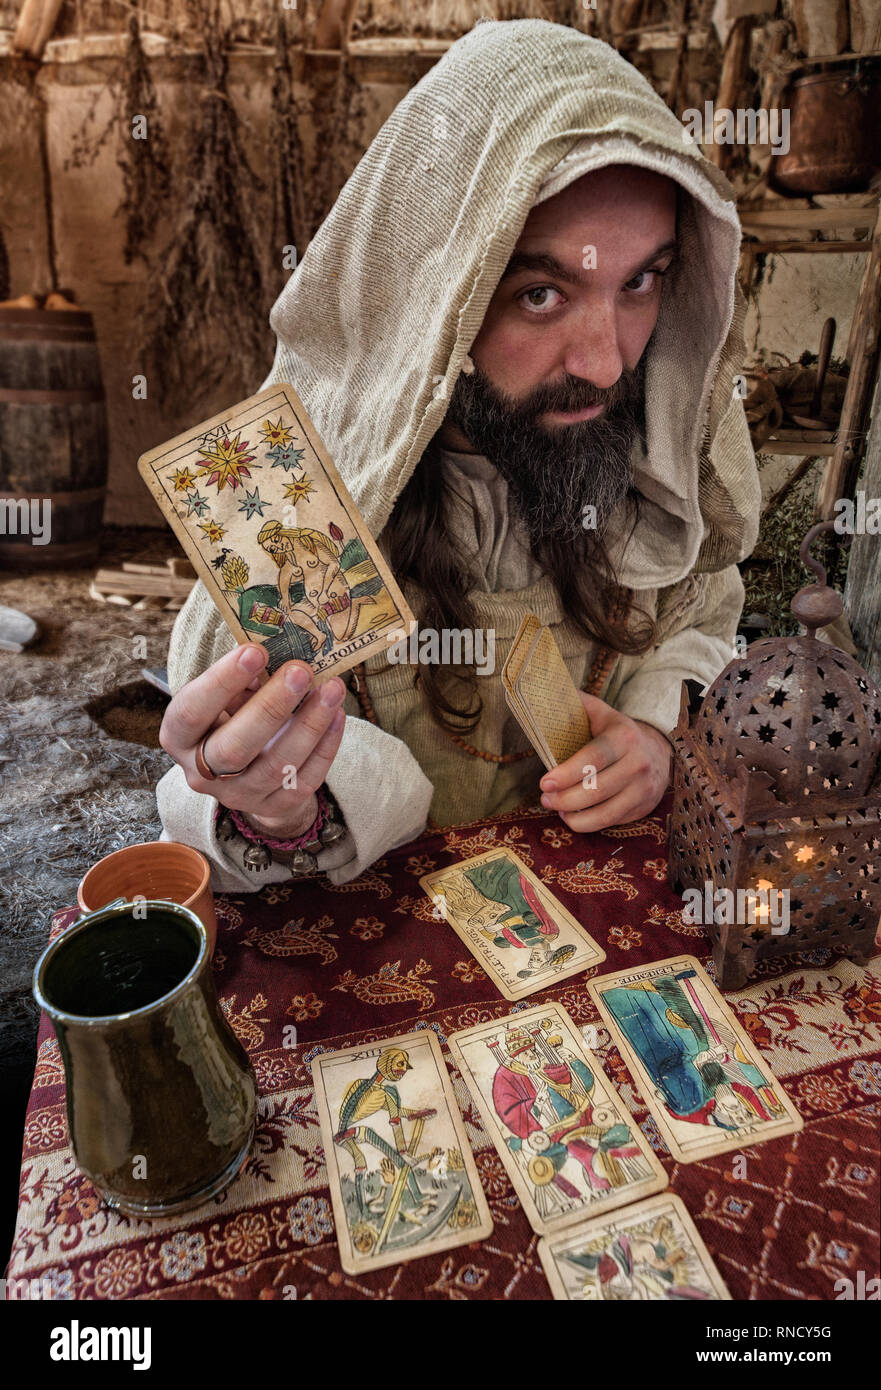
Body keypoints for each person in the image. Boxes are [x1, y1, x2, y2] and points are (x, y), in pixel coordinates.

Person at [156, 18, 760, 890]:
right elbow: (230, 772)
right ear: (438, 294)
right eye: (541, 292)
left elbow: (704, 620)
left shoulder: (653, 442)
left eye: (640, 281)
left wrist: (659, 736)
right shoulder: (287, 499)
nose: (605, 361)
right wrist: (282, 805)